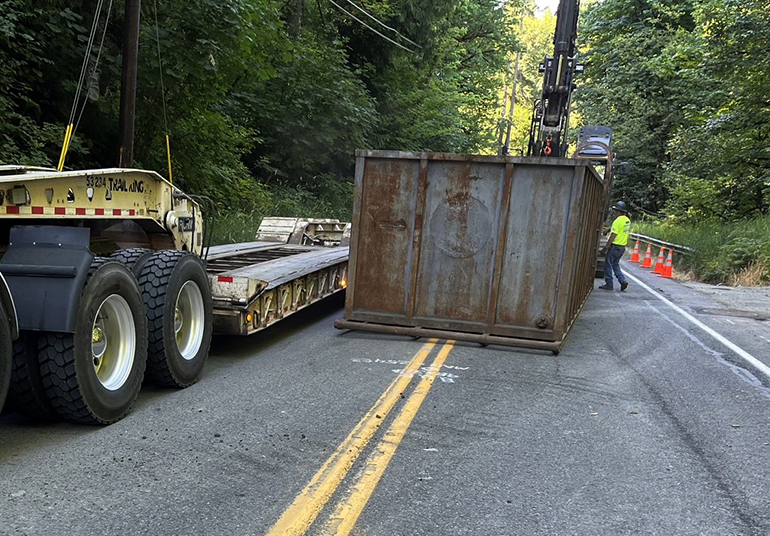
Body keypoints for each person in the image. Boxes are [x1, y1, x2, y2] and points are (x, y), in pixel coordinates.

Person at [599, 201, 630, 291]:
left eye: (615, 211)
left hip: (615, 246)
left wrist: (606, 247)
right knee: (615, 265)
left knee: (607, 265)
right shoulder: (627, 220)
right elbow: (619, 228)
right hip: (622, 247)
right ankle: (622, 280)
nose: (614, 212)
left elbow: (613, 235)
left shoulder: (617, 221)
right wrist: (609, 229)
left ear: (619, 212)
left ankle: (609, 284)